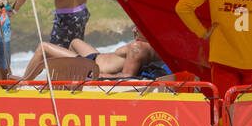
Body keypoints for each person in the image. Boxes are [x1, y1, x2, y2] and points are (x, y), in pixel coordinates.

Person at [21, 28, 165, 80]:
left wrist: (98, 76)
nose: (134, 30)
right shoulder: (153, 47)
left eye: (138, 28)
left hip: (92, 66)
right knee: (75, 42)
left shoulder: (137, 47)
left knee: (43, 48)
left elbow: (127, 76)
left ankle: (24, 82)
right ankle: (66, 83)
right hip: (97, 57)